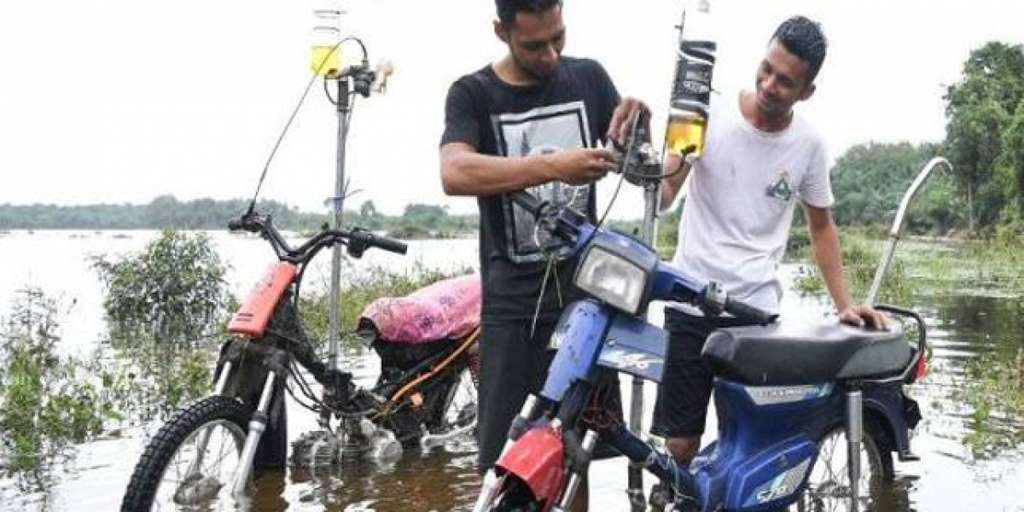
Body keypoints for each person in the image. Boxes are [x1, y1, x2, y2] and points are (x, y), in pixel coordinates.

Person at [653, 15, 891, 471]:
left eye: (785, 81)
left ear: (807, 91)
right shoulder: (706, 111)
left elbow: (821, 227)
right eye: (766, 68)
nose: (768, 84)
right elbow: (665, 193)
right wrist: (641, 168)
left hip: (755, 316)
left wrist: (844, 303)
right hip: (689, 302)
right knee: (680, 445)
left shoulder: (809, 145)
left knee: (746, 446)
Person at [439, 0, 645, 489]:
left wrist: (640, 131)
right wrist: (554, 166)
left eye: (559, 38)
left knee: (575, 458)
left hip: (585, 307)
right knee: (504, 461)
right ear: (500, 31)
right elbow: (454, 172)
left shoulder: (589, 79)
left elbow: (636, 165)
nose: (550, 55)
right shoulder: (473, 94)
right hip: (512, 307)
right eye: (534, 45)